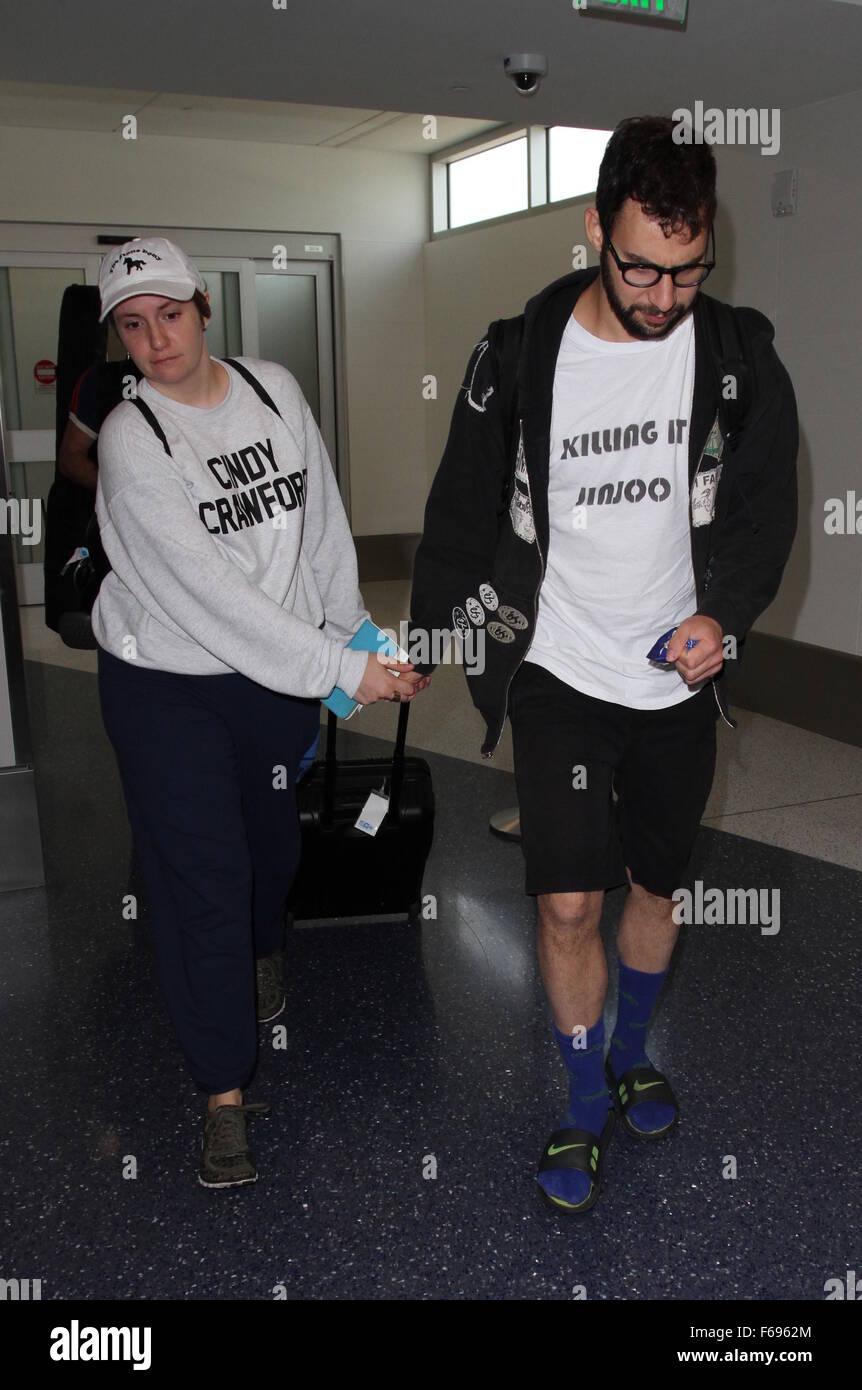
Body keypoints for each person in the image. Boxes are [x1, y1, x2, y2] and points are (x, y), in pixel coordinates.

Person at [409, 116, 798, 1214]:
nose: (664, 295)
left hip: (673, 678)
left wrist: (723, 616)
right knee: (569, 901)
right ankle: (582, 1098)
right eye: (640, 267)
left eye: (687, 271)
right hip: (560, 669)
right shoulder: (520, 353)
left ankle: (630, 1049)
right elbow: (456, 514)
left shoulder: (734, 357)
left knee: (655, 888)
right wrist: (441, 635)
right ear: (593, 228)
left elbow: (764, 511)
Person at [92, 236, 428, 1188]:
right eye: (133, 325)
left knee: (271, 852)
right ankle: (222, 1092)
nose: (156, 339)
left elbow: (318, 527)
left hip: (268, 677)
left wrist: (359, 643)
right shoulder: (132, 438)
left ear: (202, 308)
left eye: (169, 313)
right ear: (120, 340)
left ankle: (264, 942)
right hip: (165, 681)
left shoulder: (273, 389)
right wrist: (332, 666)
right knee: (203, 873)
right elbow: (208, 599)